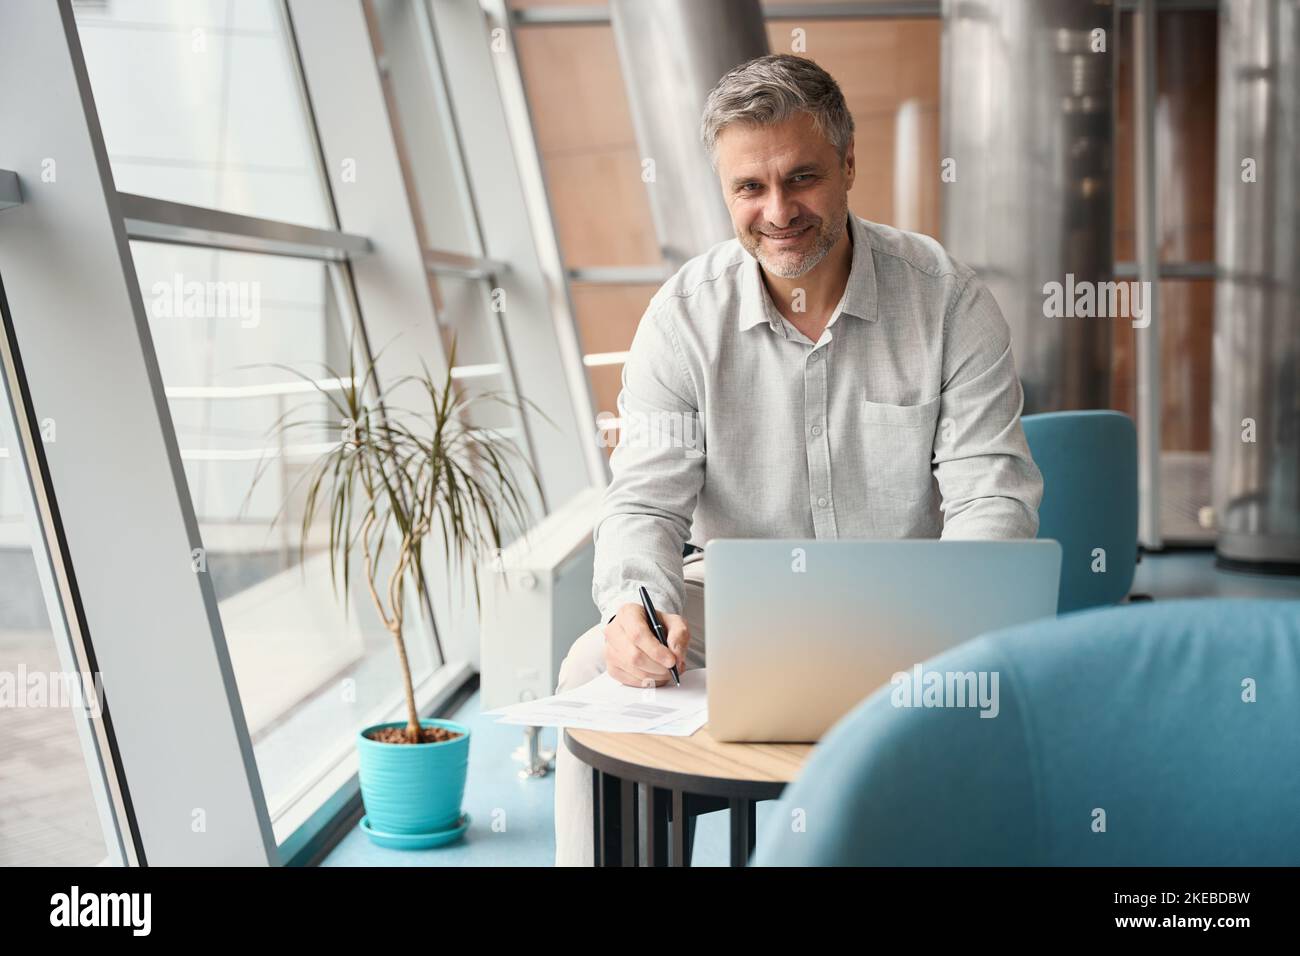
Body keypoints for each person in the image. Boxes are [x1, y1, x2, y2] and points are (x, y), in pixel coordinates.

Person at [554, 53, 1043, 866]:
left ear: (850, 165)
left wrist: (958, 626)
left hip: (912, 606)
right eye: (750, 187)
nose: (777, 210)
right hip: (739, 608)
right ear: (725, 192)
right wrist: (633, 610)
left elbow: (991, 496)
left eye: (802, 178)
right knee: (591, 667)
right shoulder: (680, 321)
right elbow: (644, 505)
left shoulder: (948, 299)